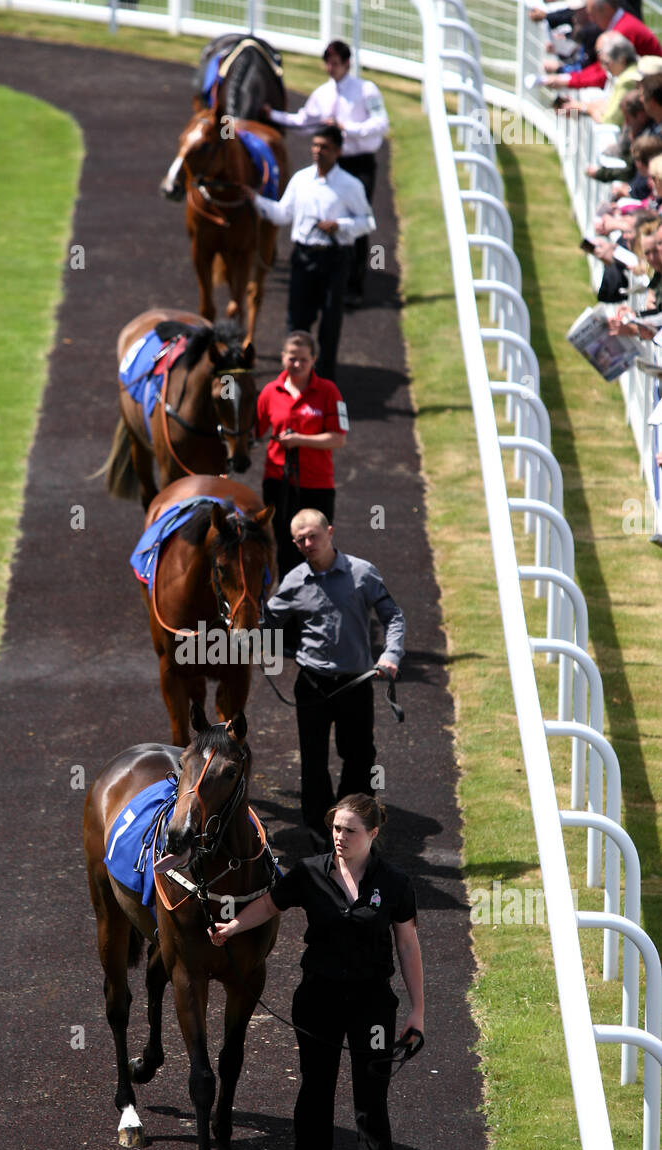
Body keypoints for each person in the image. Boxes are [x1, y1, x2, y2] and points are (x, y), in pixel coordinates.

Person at [209, 793, 425, 1150]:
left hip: (372, 1006)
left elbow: (407, 944)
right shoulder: (308, 871)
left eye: (350, 830)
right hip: (318, 999)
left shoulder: (396, 882)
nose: (339, 837)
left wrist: (417, 1010)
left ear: (373, 835)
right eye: (336, 829)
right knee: (316, 1092)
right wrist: (231, 927)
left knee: (371, 1104)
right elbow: (270, 905)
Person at [265, 509, 405, 843]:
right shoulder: (294, 581)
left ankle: (354, 823)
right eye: (300, 540)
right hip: (312, 684)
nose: (308, 544)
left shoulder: (362, 573)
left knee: (359, 756)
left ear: (330, 532)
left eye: (313, 535)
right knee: (313, 761)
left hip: (355, 684)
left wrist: (391, 654)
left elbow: (394, 616)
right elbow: (268, 623)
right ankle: (317, 831)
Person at [263, 40, 389, 306]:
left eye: (334, 64)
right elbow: (303, 120)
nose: (329, 69)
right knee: (326, 215)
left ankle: (355, 285)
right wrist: (271, 115)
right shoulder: (322, 93)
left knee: (357, 220)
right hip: (334, 163)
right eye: (327, 63)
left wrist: (347, 128)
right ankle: (326, 279)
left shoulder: (366, 90)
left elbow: (381, 123)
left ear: (347, 64)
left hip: (359, 161)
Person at [245, 125, 375, 381]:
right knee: (296, 320)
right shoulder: (301, 179)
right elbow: (283, 214)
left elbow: (368, 222)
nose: (317, 151)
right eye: (315, 145)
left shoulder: (350, 186)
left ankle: (324, 382)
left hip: (335, 258)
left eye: (324, 147)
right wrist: (255, 200)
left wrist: (340, 226)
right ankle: (293, 378)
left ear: (337, 151)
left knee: (330, 323)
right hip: (303, 258)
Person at [256, 331, 348, 577]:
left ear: (314, 360)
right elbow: (254, 430)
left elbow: (339, 438)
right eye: (292, 358)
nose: (297, 365)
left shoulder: (329, 392)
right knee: (281, 542)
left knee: (316, 545)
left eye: (303, 360)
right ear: (282, 357)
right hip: (277, 481)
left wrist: (299, 440)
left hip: (316, 483)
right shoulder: (269, 392)